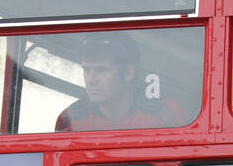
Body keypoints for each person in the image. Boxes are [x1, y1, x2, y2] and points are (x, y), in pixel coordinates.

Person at [55, 34, 183, 133]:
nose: (91, 80)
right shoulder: (70, 119)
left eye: (101, 70)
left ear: (128, 73)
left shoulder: (162, 114)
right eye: (87, 70)